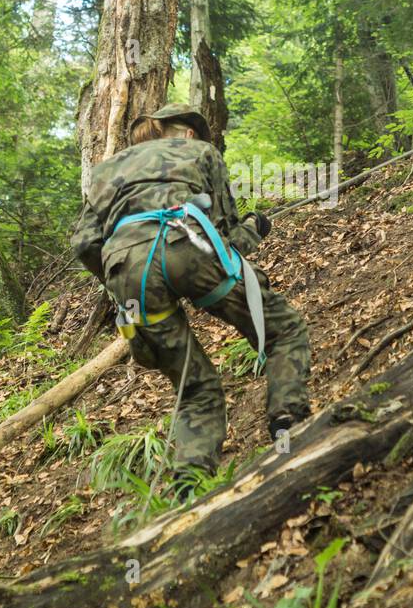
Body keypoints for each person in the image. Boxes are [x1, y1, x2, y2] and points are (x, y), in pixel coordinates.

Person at [71, 103, 311, 481]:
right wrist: (256, 226)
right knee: (284, 332)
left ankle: (189, 484)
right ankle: (287, 422)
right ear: (187, 133)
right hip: (188, 247)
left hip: (125, 270)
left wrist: (122, 277)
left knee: (194, 388)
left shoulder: (107, 169)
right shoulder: (200, 152)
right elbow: (227, 235)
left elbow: (84, 243)